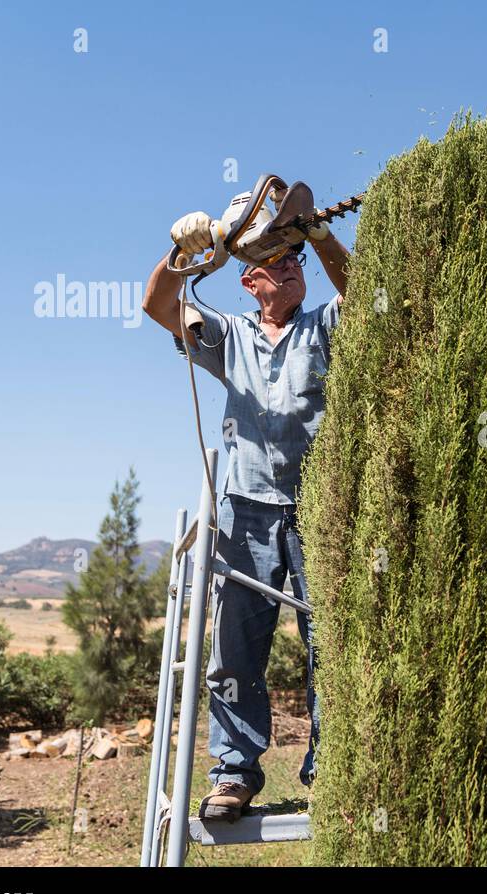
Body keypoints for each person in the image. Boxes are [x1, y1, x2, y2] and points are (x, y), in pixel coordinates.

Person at [141, 195, 350, 822]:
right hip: (245, 513)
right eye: (274, 262)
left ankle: (332, 770)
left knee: (333, 645)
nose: (288, 269)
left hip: (322, 509)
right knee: (234, 651)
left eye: (295, 261)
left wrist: (319, 238)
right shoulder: (228, 334)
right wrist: (184, 252)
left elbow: (369, 294)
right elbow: (157, 306)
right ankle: (232, 775)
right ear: (248, 278)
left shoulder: (326, 326)